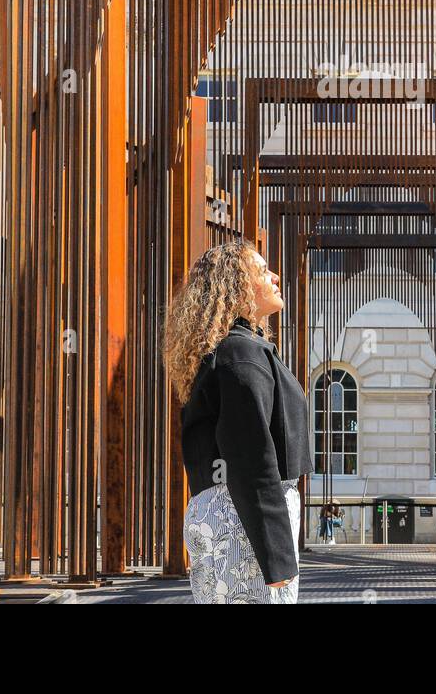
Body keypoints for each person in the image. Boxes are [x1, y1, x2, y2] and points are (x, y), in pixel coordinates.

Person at [167, 240, 314, 604]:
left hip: (227, 510)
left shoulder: (233, 350)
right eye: (263, 271)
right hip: (241, 517)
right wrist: (277, 558)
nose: (275, 276)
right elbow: (251, 456)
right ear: (237, 286)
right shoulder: (242, 353)